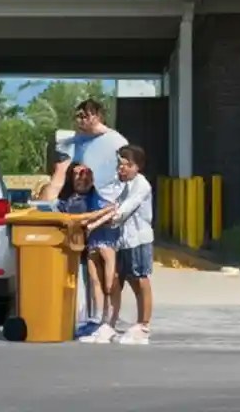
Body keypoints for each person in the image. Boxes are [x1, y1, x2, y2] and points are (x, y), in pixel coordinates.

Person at [38, 162, 118, 339]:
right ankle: (91, 319)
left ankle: (100, 319)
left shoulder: (94, 197)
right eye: (78, 175)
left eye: (86, 175)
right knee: (85, 285)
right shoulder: (69, 199)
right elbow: (51, 207)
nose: (83, 179)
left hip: (93, 246)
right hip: (77, 249)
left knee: (102, 283)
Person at [84, 144, 154, 345]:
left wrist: (91, 224)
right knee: (115, 281)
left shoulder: (141, 185)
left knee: (139, 280)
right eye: (120, 164)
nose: (122, 168)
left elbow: (121, 212)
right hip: (121, 241)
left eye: (127, 165)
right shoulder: (122, 185)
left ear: (137, 167)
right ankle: (109, 324)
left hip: (138, 240)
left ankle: (143, 325)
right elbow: (111, 207)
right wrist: (91, 222)